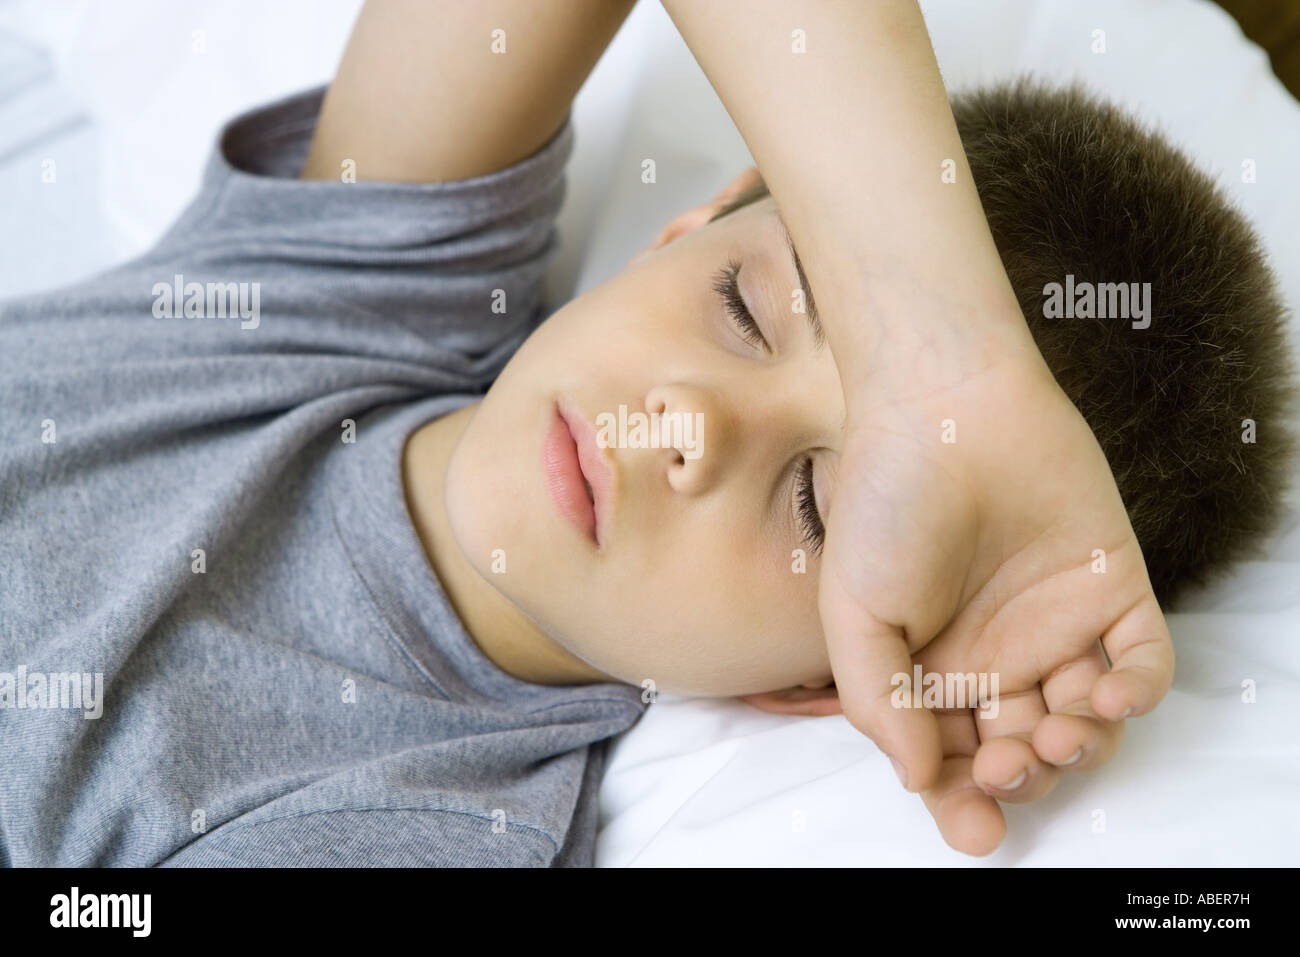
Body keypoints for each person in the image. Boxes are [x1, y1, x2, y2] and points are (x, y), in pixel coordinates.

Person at [0, 0, 1291, 864]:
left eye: (819, 504)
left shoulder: (416, 820)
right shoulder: (334, 289)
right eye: (743, 308)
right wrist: (934, 350)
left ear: (829, 680)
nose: (687, 429)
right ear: (696, 224)